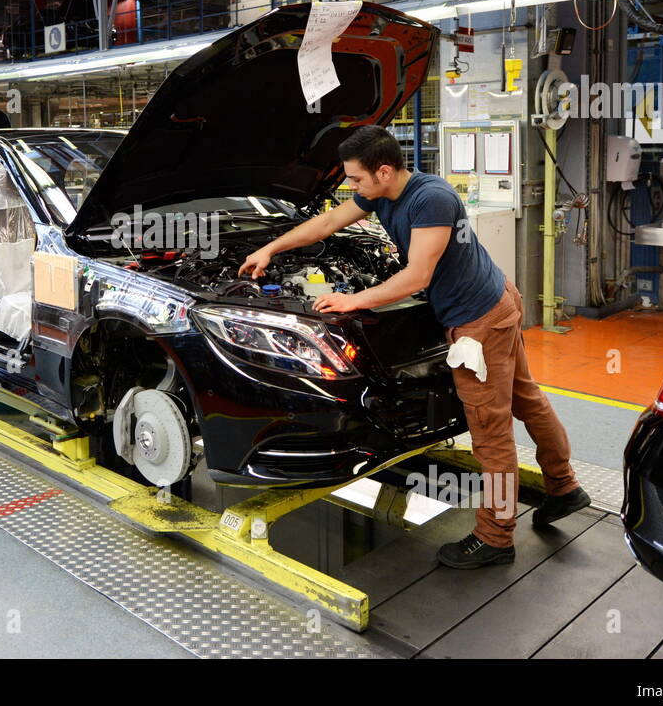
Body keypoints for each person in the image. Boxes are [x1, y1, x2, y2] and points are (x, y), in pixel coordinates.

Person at [239, 126, 590, 569]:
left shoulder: (431, 199)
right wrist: (270, 248)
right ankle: (564, 487)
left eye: (356, 179)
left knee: (490, 431)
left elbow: (417, 276)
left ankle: (496, 536)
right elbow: (328, 222)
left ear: (384, 171)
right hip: (495, 300)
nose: (351, 187)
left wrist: (353, 300)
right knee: (526, 399)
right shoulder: (381, 193)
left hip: (479, 321)